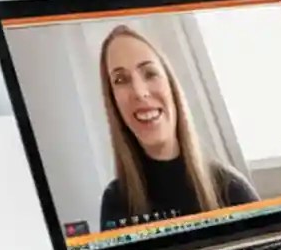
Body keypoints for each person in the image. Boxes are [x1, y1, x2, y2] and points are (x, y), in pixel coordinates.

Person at [97, 24, 259, 230]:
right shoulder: (115, 203)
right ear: (113, 102)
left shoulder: (231, 189)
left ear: (171, 87)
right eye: (121, 80)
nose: (139, 92)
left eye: (149, 73)